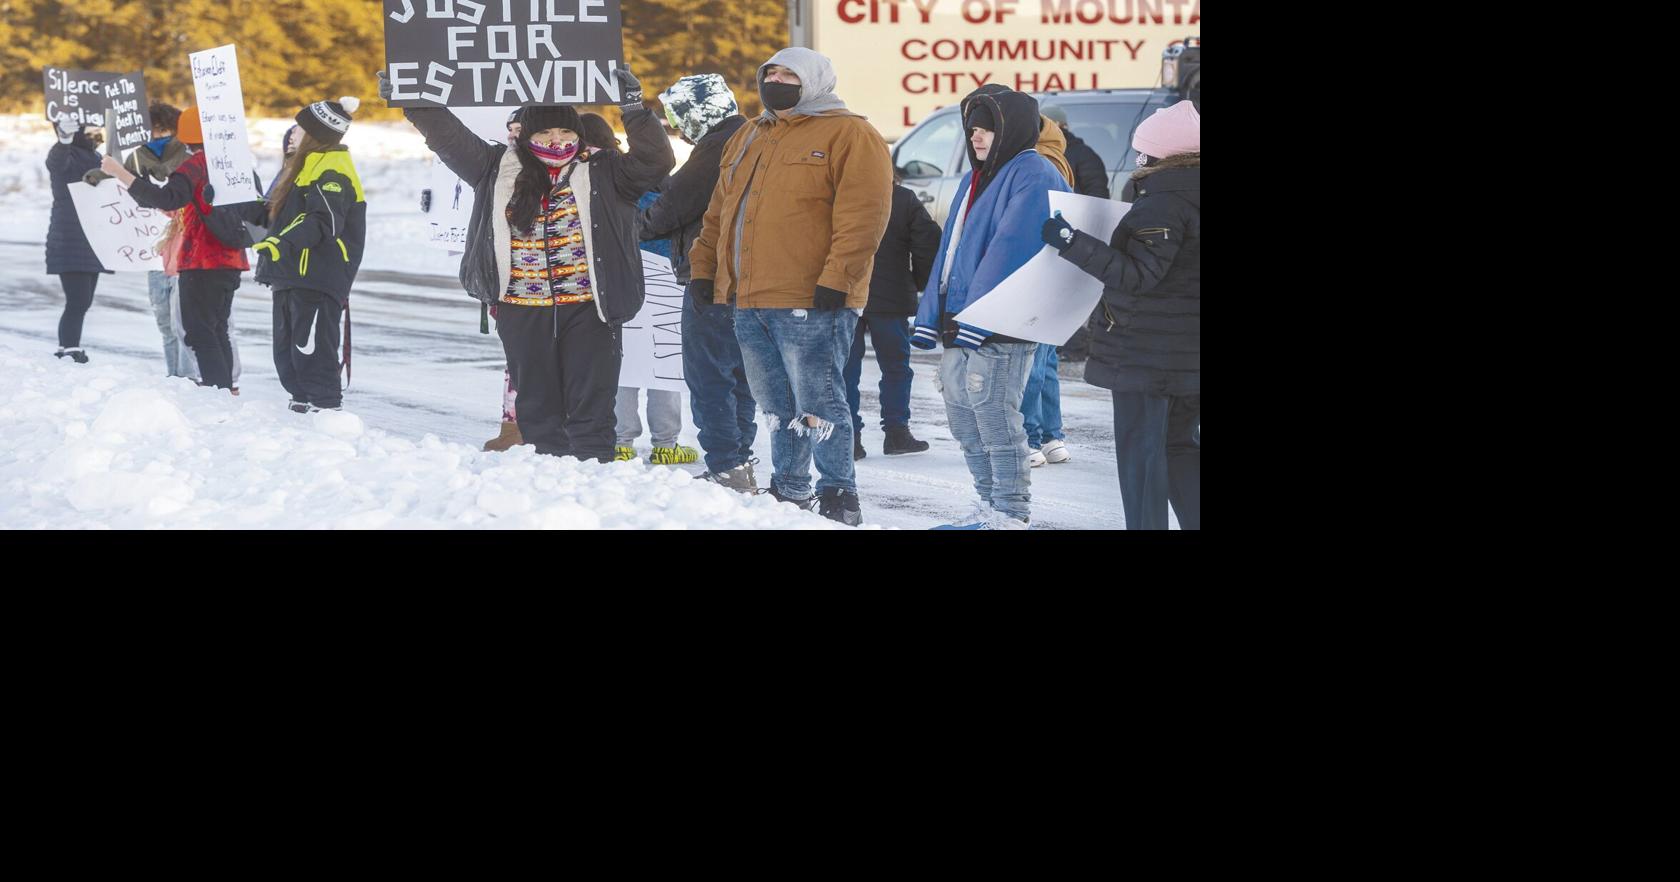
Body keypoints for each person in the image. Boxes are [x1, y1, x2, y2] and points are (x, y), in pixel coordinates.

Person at [387, 66, 675, 462]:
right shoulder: (493, 167)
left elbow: (657, 160)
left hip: (591, 307)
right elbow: (448, 138)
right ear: (526, 135)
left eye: (567, 133)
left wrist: (634, 110)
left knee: (592, 399)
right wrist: (415, 101)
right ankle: (547, 468)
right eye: (546, 133)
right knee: (537, 403)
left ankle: (596, 470)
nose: (558, 141)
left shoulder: (607, 171)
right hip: (521, 309)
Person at [686, 48, 893, 525]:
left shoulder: (850, 133)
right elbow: (719, 213)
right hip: (748, 296)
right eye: (770, 74)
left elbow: (864, 216)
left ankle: (839, 493)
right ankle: (790, 489)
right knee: (775, 404)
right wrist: (704, 268)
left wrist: (838, 279)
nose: (776, 81)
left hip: (812, 297)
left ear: (815, 81)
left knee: (818, 401)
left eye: (788, 75)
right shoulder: (748, 136)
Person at [911, 87, 1070, 530]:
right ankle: (987, 510)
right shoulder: (974, 178)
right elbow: (950, 251)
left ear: (1011, 129)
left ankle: (1010, 516)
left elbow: (1013, 248)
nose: (977, 138)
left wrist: (981, 317)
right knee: (966, 425)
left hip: (1001, 324)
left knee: (999, 424)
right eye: (973, 129)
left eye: (987, 128)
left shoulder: (1033, 172)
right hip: (962, 323)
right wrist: (929, 318)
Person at [1042, 100, 1199, 529]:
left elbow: (1138, 275)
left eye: (1142, 151)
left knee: (1141, 455)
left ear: (1162, 153)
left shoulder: (1162, 202)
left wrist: (1071, 242)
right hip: (1188, 353)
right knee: (1181, 446)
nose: (1137, 159)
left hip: (1146, 352)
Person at [639, 74, 758, 490]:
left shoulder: (712, 152)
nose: (676, 127)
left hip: (711, 279)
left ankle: (727, 463)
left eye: (676, 117)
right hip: (754, 279)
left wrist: (626, 224)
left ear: (695, 113)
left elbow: (665, 213)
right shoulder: (752, 138)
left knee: (709, 375)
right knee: (742, 375)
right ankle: (741, 458)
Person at [103, 104, 258, 391]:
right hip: (231, 259)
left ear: (185, 136)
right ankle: (227, 388)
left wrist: (120, 174)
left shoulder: (196, 166)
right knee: (218, 328)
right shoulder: (234, 163)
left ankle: (217, 391)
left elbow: (166, 199)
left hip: (200, 261)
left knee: (199, 332)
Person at [244, 97, 367, 413]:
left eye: (299, 129)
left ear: (315, 134)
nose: (292, 135)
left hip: (317, 276)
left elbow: (321, 221)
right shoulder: (302, 169)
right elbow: (273, 216)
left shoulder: (333, 169)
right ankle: (301, 406)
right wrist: (231, 201)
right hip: (290, 274)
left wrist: (281, 244)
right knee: (286, 353)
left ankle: (326, 409)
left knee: (310, 351)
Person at [86, 102, 195, 377]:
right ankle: (174, 376)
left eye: (163, 131)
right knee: (165, 322)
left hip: (183, 248)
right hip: (151, 249)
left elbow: (166, 190)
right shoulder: (135, 156)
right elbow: (118, 176)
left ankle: (189, 378)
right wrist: (96, 178)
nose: (157, 137)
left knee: (184, 322)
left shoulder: (185, 156)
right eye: (152, 131)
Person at [844, 168, 939, 460]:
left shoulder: (839, 197)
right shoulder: (902, 198)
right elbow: (929, 244)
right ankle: (897, 433)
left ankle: (850, 438)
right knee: (896, 367)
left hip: (843, 294)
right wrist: (919, 282)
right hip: (891, 297)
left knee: (845, 369)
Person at [45, 115, 110, 363]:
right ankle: (69, 348)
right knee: (78, 300)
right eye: (92, 129)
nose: (97, 134)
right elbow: (55, 163)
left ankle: (68, 347)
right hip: (70, 238)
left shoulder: (97, 158)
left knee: (83, 301)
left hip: (92, 239)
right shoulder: (68, 155)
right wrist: (63, 140)